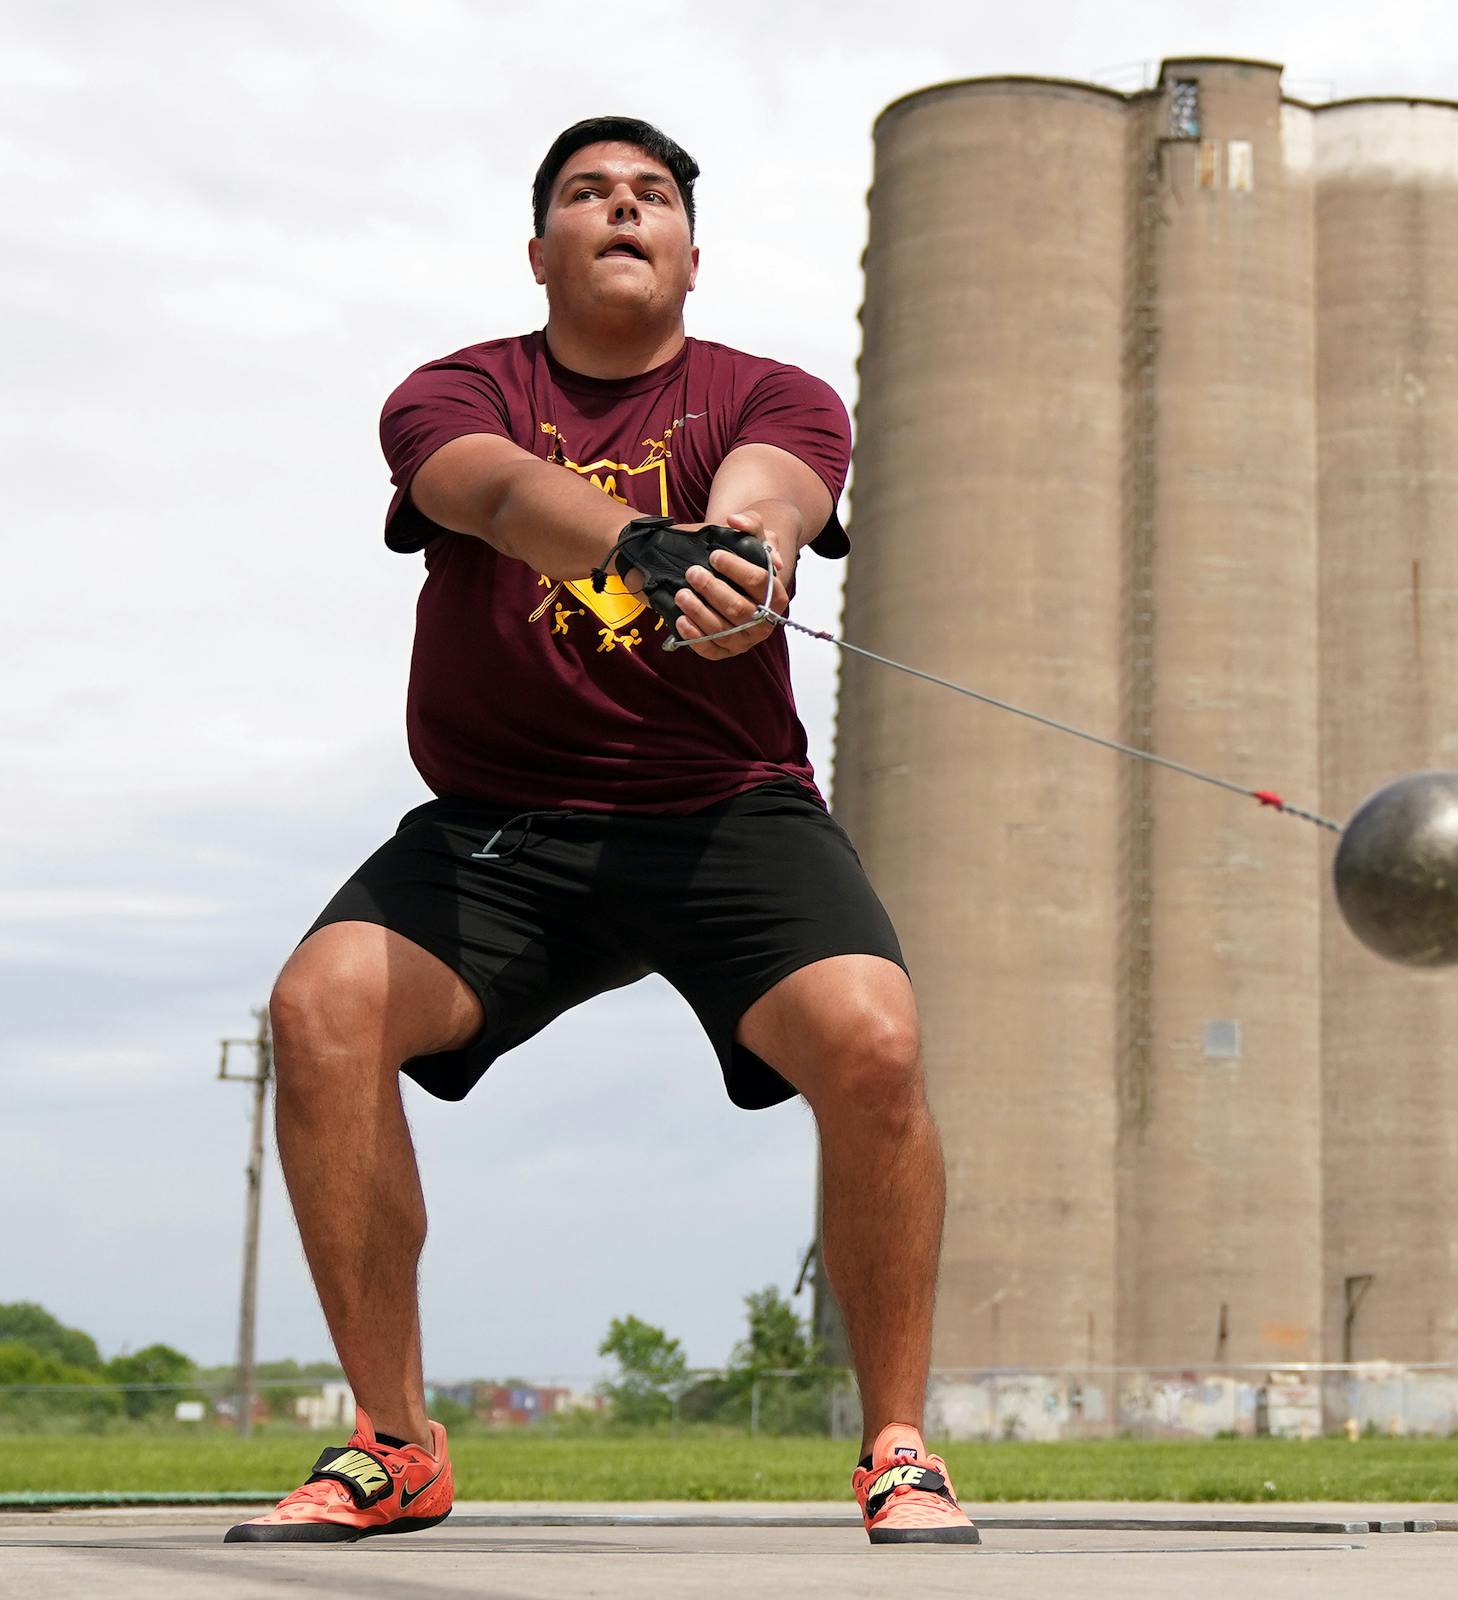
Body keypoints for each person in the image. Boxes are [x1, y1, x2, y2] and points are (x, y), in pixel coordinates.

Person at [226, 116, 974, 1547]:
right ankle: (395, 1444)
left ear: (691, 252)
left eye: (651, 196)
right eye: (588, 193)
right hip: (503, 828)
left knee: (875, 1039)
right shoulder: (458, 388)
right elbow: (497, 492)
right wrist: (635, 545)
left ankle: (898, 1445)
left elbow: (774, 493)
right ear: (539, 249)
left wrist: (741, 563)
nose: (622, 209)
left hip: (725, 814)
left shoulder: (776, 392)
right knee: (320, 1008)